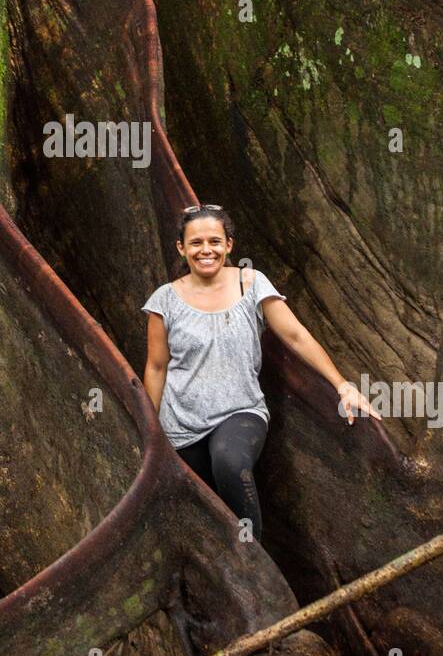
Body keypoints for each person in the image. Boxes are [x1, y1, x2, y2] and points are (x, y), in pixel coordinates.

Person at [141, 204, 376, 543]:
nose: (206, 250)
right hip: (180, 424)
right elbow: (157, 366)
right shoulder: (164, 301)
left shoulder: (250, 283)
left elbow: (295, 336)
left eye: (214, 241)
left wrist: (342, 385)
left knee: (229, 462)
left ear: (229, 245)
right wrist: (152, 430)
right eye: (195, 243)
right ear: (181, 248)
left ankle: (253, 560)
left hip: (240, 411)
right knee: (204, 514)